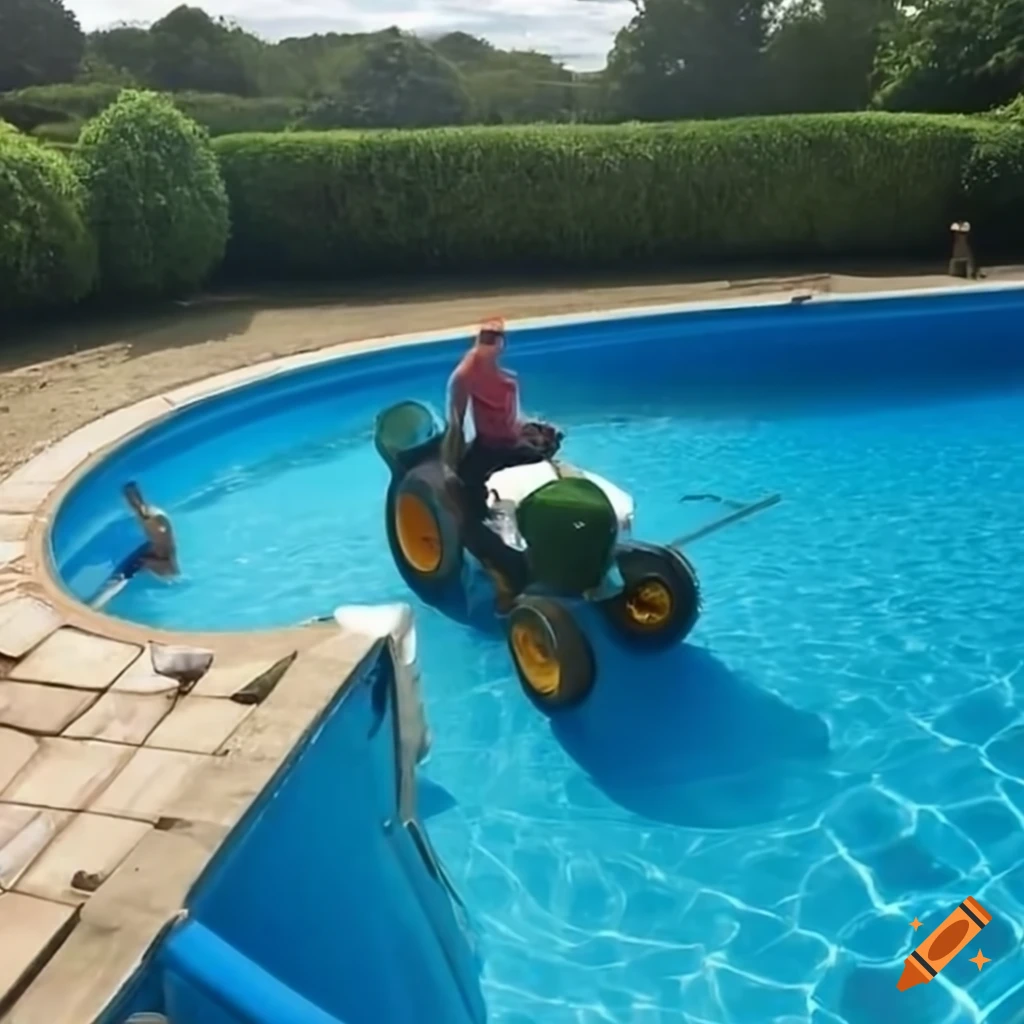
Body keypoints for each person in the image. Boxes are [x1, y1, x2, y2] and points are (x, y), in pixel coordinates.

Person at [445, 317, 563, 523]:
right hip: (492, 443)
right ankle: (478, 520)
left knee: (551, 435)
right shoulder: (467, 376)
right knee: (468, 481)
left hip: (507, 438)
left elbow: (513, 417)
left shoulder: (500, 379)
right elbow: (457, 423)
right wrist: (453, 459)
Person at [122, 482, 179, 578]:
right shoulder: (145, 515)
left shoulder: (154, 515)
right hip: (160, 554)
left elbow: (164, 527)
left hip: (164, 557)